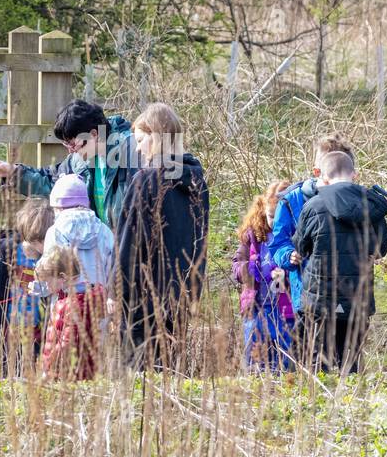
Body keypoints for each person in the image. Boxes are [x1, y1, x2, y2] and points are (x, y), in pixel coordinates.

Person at [115, 103, 210, 369]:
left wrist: (118, 291)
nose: (137, 149)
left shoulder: (145, 180)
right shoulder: (197, 181)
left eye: (141, 140)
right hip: (181, 293)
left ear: (155, 137)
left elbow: (129, 244)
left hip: (142, 298)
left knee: (139, 381)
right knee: (167, 373)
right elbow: (199, 241)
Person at [292, 150, 387, 373]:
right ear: (354, 174)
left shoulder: (313, 206)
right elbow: (380, 250)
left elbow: (300, 247)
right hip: (357, 298)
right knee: (351, 361)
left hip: (319, 299)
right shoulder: (373, 207)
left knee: (318, 362)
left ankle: (320, 403)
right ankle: (353, 403)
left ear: (324, 178)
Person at [0, 99, 138, 231]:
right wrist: (13, 173)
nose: (70, 152)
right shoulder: (80, 159)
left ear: (94, 134)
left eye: (72, 145)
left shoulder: (132, 151)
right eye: (66, 145)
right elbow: (53, 181)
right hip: (101, 251)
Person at [266, 132, 356, 316]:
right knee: (310, 343)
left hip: (348, 296)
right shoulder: (292, 201)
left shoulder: (356, 200)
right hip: (308, 294)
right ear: (317, 172)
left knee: (344, 343)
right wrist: (288, 255)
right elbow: (278, 243)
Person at [0, 197, 52, 371]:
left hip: (37, 332)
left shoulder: (47, 260)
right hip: (7, 329)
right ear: (36, 237)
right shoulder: (3, 256)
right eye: (45, 240)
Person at [231, 179, 295, 371]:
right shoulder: (253, 235)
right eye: (270, 216)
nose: (274, 221)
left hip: (284, 308)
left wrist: (286, 274)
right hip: (255, 307)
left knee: (282, 363)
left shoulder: (293, 236)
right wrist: (250, 270)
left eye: (279, 216)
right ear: (263, 210)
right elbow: (236, 265)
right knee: (254, 363)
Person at [35, 246, 103, 380]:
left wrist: (49, 370)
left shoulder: (76, 304)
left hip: (73, 376)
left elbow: (67, 344)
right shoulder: (64, 299)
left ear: (63, 277)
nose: (47, 286)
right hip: (61, 373)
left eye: (48, 281)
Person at [44, 174, 115, 289]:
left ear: (58, 207)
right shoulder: (105, 231)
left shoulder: (55, 232)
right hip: (99, 301)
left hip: (66, 304)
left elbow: (51, 279)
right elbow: (113, 272)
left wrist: (38, 288)